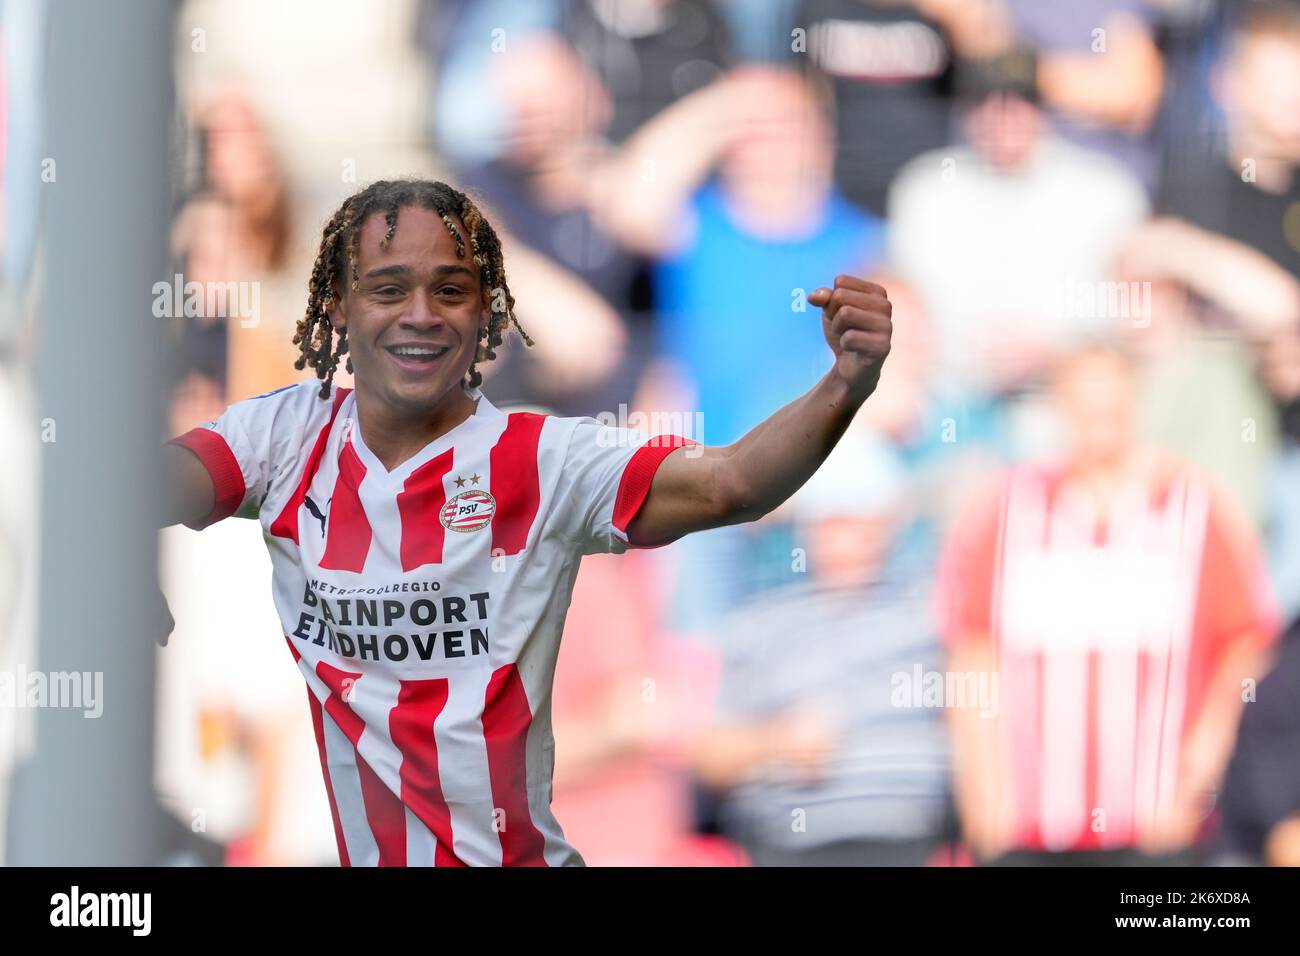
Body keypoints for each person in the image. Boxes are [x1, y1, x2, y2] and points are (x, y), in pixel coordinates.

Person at [158, 178, 893, 867]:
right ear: (338, 310)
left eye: (449, 290)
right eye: (387, 289)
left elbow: (731, 484)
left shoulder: (541, 460)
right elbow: (144, 488)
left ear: (487, 317)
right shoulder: (284, 439)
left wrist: (843, 386)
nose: (419, 313)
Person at [937, 344, 1278, 863]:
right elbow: (973, 650)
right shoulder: (1010, 509)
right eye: (1083, 398)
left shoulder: (1190, 506)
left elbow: (1243, 649)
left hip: (1155, 829)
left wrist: (1196, 778)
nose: (1100, 414)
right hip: (1030, 831)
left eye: (1113, 397)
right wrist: (982, 790)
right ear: (1059, 406)